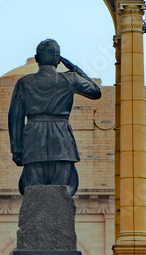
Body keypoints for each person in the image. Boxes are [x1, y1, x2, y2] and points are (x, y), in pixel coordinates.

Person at [8, 39, 101, 195]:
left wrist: (16, 150)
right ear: (58, 60)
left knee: (33, 192)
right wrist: (74, 69)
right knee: (62, 191)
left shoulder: (24, 83)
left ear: (37, 59)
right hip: (62, 139)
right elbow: (95, 91)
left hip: (32, 140)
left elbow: (15, 118)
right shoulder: (70, 79)